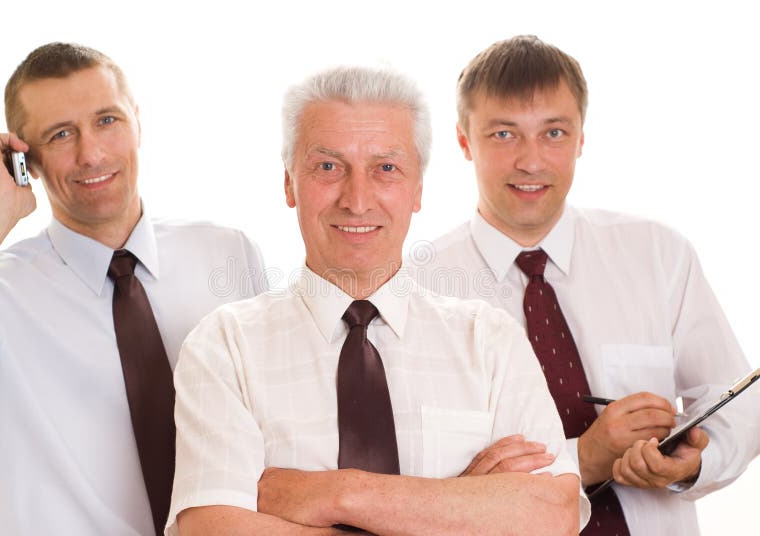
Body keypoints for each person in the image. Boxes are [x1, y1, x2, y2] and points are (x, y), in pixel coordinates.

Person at [166, 65, 589, 536]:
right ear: (289, 182)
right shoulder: (224, 346)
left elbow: (552, 516)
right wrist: (461, 504)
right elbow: (211, 529)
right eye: (328, 167)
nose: (358, 199)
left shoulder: (488, 340)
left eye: (386, 168)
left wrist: (336, 494)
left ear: (418, 190)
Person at [413, 34, 760, 535]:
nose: (531, 161)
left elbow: (739, 409)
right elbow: (423, 479)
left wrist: (692, 463)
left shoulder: (658, 255)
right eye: (504, 135)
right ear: (464, 141)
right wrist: (585, 457)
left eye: (553, 133)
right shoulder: (417, 288)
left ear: (580, 138)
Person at [0, 42, 266, 536]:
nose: (91, 153)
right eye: (60, 134)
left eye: (107, 120)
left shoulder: (228, 254)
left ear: (137, 123)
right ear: (26, 158)